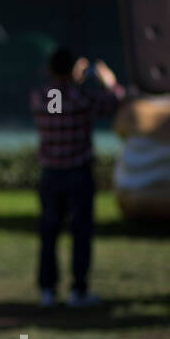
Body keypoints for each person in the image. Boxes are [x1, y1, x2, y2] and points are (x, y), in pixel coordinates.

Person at [29, 47, 125, 307]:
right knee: (80, 234)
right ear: (72, 69)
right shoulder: (81, 97)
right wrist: (109, 82)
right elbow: (116, 101)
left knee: (49, 234)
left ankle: (47, 291)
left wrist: (71, 80)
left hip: (50, 175)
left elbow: (54, 101)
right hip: (78, 175)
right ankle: (78, 291)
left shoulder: (40, 96)